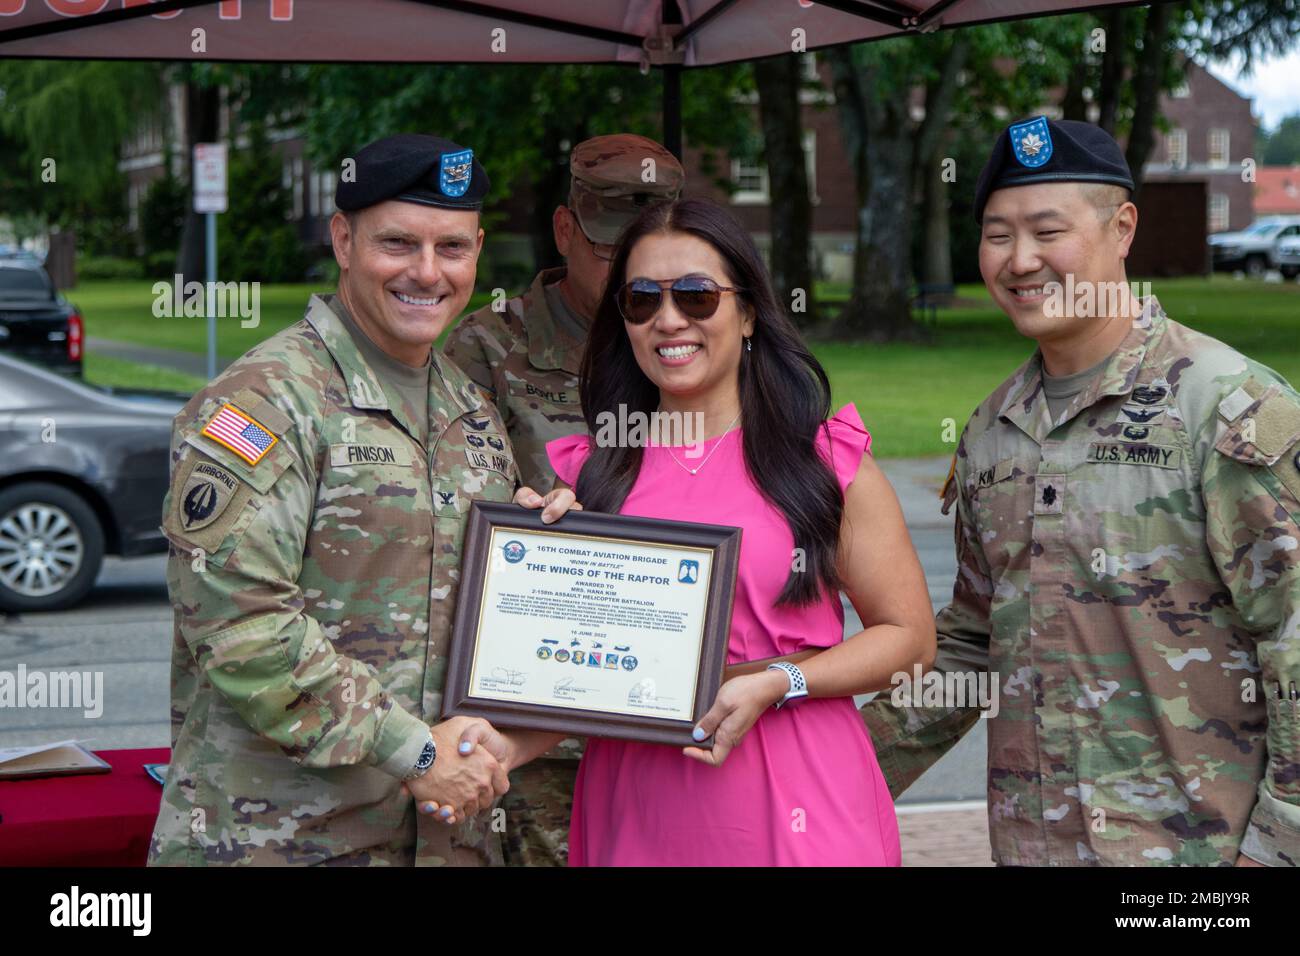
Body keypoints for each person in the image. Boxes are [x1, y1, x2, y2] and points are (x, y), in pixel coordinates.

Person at [860, 117, 1300, 867]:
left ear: (1121, 228)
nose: (1020, 260)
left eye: (1047, 231)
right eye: (997, 235)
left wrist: (1278, 848)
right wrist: (826, 772)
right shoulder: (993, 431)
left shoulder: (1227, 408)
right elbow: (972, 644)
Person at [148, 133, 572, 866]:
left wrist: (549, 552)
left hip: (443, 843)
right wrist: (414, 752)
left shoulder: (471, 412)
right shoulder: (264, 404)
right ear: (343, 240)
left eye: (452, 247)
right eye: (398, 243)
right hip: (281, 841)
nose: (427, 272)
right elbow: (241, 625)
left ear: (477, 252)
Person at [493, 198, 936, 865]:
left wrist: (780, 679)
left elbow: (909, 640)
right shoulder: (590, 476)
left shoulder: (822, 460)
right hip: (639, 802)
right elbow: (574, 677)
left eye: (697, 296)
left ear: (749, 311)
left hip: (799, 790)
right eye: (642, 299)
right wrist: (535, 560)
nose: (669, 319)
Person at [442, 133, 683, 866]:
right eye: (612, 250)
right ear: (565, 230)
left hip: (671, 710)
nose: (632, 274)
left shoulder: (692, 338)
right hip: (541, 716)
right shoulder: (488, 348)